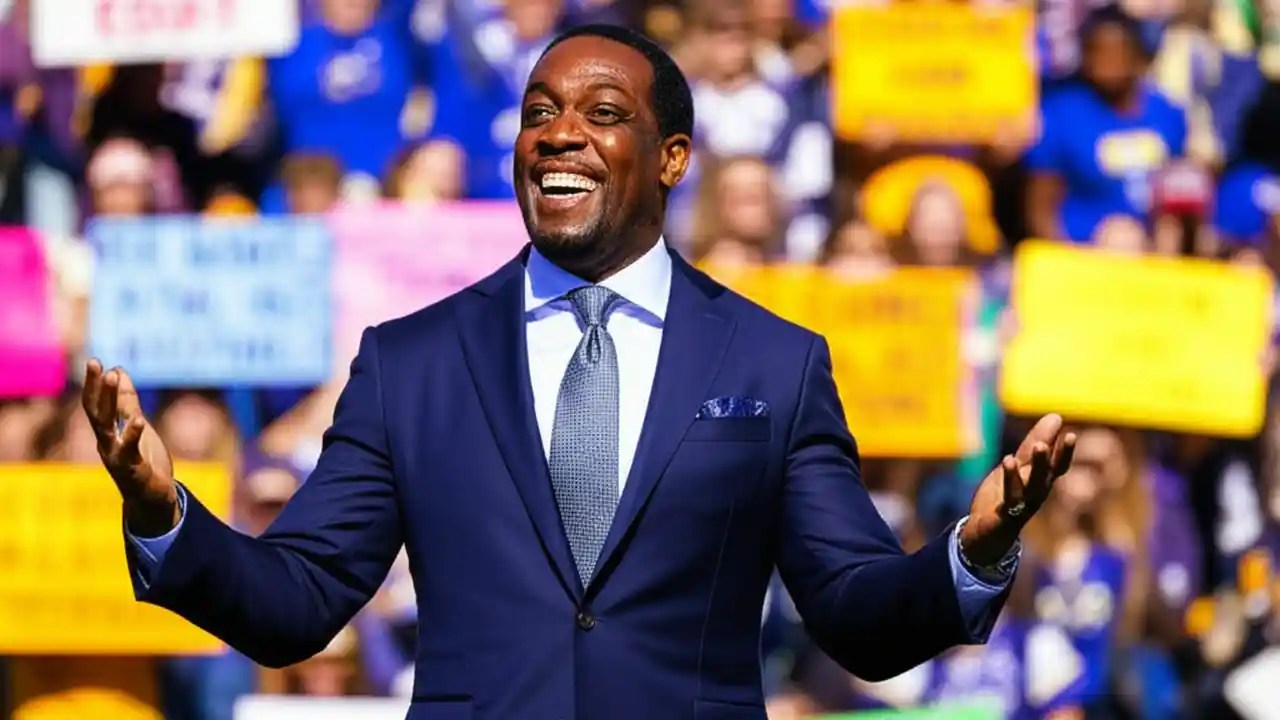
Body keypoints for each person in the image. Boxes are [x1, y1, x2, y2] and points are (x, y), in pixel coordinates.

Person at [81, 24, 1076, 719]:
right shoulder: (410, 363)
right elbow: (294, 601)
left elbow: (856, 615)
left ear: (672, 157)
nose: (559, 133)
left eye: (602, 112)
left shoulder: (774, 361)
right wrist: (165, 513)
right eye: (539, 112)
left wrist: (973, 548)